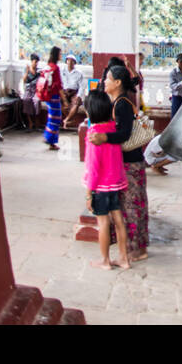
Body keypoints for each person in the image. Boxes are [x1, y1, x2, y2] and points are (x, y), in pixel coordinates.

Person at [88, 64, 150, 262]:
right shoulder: (116, 102)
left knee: (132, 209)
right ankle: (131, 250)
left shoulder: (122, 104)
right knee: (128, 208)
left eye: (107, 78)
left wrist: (104, 138)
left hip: (131, 164)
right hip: (126, 163)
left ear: (117, 83)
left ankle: (137, 251)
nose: (104, 81)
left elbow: (124, 134)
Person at [83, 87, 130, 270]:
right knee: (118, 221)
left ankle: (105, 261)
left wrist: (89, 193)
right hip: (115, 184)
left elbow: (93, 168)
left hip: (100, 187)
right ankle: (124, 259)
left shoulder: (94, 135)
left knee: (103, 223)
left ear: (91, 111)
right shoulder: (112, 130)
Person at [39, 47, 64, 151]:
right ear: (56, 55)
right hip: (54, 96)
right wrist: (65, 100)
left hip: (47, 96)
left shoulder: (47, 67)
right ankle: (50, 140)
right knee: (56, 118)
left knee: (51, 117)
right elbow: (58, 86)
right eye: (60, 53)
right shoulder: (55, 68)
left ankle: (49, 138)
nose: (61, 55)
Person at [60, 54, 84, 130]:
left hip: (74, 92)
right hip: (64, 92)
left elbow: (81, 86)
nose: (70, 62)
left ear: (74, 62)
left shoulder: (79, 73)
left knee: (76, 103)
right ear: (66, 61)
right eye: (68, 60)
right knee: (58, 102)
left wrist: (79, 95)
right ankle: (70, 119)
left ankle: (66, 120)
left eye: (72, 61)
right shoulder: (62, 71)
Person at [21, 53, 42, 130]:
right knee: (26, 100)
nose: (36, 64)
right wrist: (26, 72)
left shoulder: (38, 71)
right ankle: (30, 121)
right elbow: (24, 80)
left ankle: (36, 121)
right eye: (35, 62)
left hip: (36, 90)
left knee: (37, 101)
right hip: (28, 89)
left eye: (37, 62)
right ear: (31, 61)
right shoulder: (26, 69)